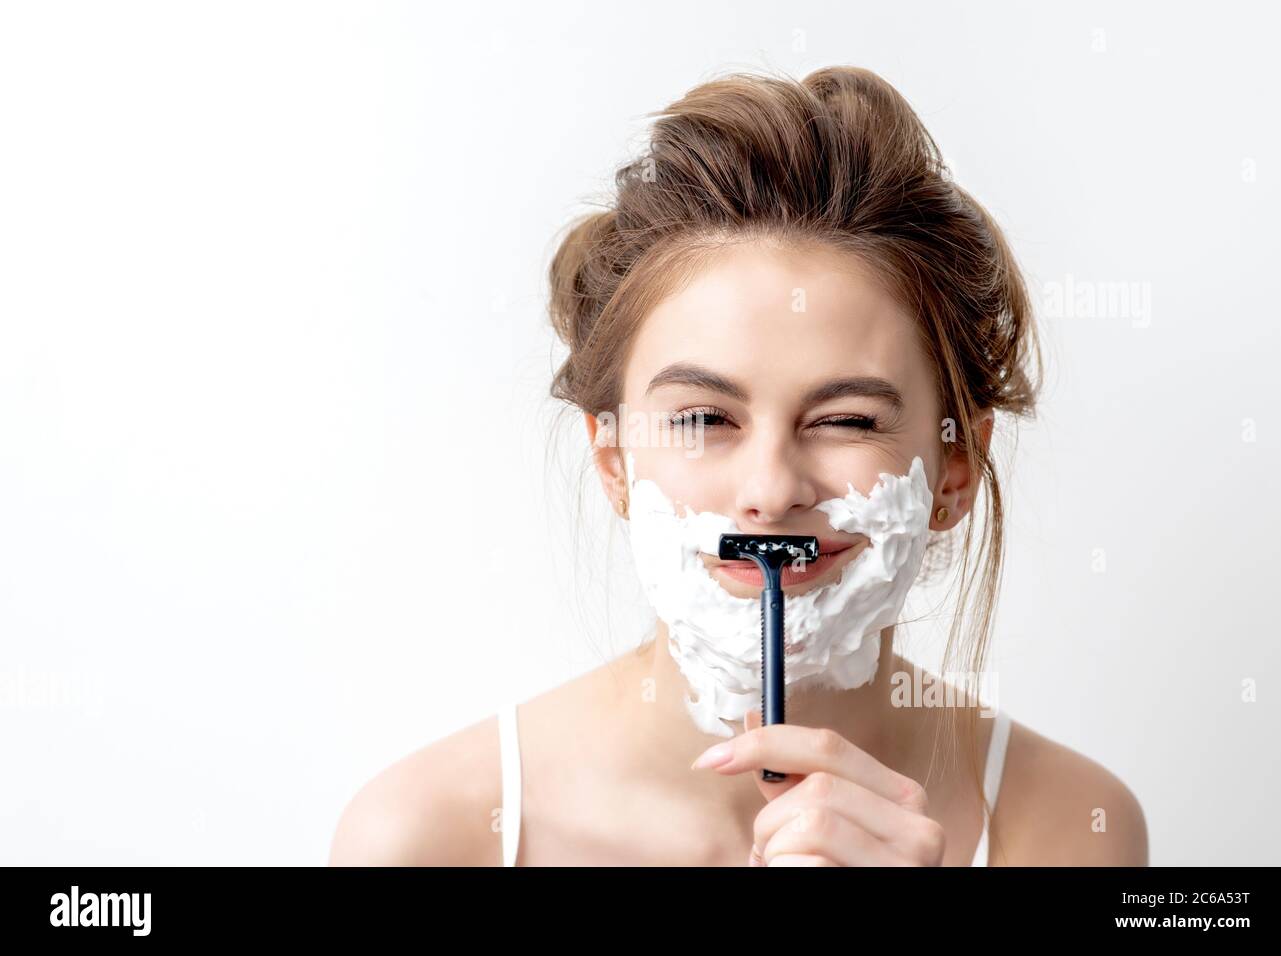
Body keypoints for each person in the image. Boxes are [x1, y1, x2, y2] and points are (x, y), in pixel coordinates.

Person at [329, 65, 1148, 867]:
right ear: (612, 458)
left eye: (846, 421)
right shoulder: (425, 838)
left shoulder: (1075, 830)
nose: (769, 492)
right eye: (703, 419)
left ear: (955, 469)